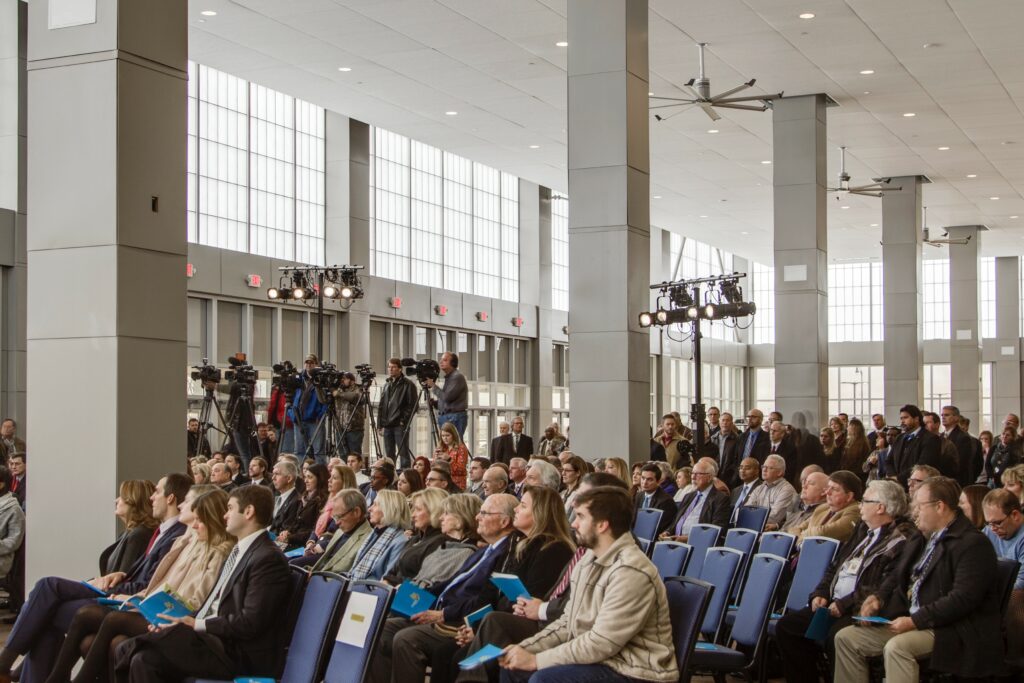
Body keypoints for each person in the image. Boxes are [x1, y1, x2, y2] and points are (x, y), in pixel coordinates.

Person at [0, 475, 191, 682]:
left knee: (48, 593)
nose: (152, 497)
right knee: (46, 599)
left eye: (157, 492)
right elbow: (136, 573)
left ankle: (11, 665)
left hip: (122, 599)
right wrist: (117, 575)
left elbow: (148, 584)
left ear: (170, 498)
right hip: (117, 590)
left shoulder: (168, 535)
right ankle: (18, 670)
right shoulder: (161, 532)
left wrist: (106, 585)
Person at [48, 487, 236, 683]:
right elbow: (162, 584)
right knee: (92, 638)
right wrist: (137, 599)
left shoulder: (215, 552)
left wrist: (144, 600)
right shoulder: (188, 543)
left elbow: (196, 598)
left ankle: (72, 679)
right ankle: (60, 677)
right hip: (158, 608)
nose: (181, 506)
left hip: (175, 617)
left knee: (104, 619)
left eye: (198, 518)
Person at [498, 486, 678, 683]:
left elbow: (601, 643)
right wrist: (526, 648)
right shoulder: (588, 559)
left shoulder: (631, 572)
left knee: (543, 679)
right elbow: (568, 623)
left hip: (636, 671)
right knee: (513, 667)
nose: (573, 524)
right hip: (604, 660)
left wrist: (536, 660)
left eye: (581, 517)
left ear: (602, 525)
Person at [832, 476, 1003, 683]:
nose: (913, 511)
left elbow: (963, 599)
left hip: (952, 629)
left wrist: (916, 620)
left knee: (898, 648)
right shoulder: (922, 537)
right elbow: (897, 575)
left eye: (919, 506)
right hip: (913, 619)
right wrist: (878, 597)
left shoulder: (972, 543)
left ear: (939, 507)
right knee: (847, 638)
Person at [113, 486, 291, 681]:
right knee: (143, 659)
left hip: (237, 653)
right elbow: (212, 604)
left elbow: (250, 623)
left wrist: (196, 624)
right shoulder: (239, 552)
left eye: (230, 508)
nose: (225, 516)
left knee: (126, 648)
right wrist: (178, 622)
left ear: (248, 512)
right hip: (214, 642)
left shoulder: (267, 559)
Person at [775, 480, 922, 683]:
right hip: (833, 603)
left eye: (865, 501)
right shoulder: (862, 529)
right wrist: (820, 593)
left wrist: (844, 604)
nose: (860, 506)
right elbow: (835, 566)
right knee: (787, 627)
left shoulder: (901, 539)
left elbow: (882, 585)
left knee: (836, 637)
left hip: (859, 608)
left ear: (881, 507)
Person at [369, 494, 519, 683]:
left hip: (458, 619)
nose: (477, 517)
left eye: (484, 513)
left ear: (504, 521)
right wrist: (414, 596)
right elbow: (449, 584)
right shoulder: (484, 550)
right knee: (379, 627)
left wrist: (443, 614)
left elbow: (484, 598)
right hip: (438, 608)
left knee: (406, 639)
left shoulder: (504, 553)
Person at [982, 488, 1024, 659]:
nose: (993, 529)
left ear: (1015, 515)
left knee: (1015, 596)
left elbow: (1021, 581)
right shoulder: (988, 532)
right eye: (988, 523)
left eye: (997, 523)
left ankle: (1015, 660)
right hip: (998, 591)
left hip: (1017, 595)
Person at [383, 488, 450, 586]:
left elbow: (420, 580)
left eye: (418, 509)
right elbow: (394, 569)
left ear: (434, 510)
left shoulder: (440, 543)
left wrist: (390, 585)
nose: (413, 515)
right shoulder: (416, 538)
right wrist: (386, 582)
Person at [349, 489, 410, 581]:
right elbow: (354, 570)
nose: (370, 509)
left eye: (375, 504)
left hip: (369, 592)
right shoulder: (375, 534)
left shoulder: (400, 542)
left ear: (389, 509)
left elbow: (387, 579)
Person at [662, 459, 729, 542]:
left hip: (698, 543)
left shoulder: (720, 498)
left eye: (698, 474)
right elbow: (677, 520)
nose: (693, 477)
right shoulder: (689, 496)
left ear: (709, 477)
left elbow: (717, 529)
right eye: (692, 473)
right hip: (676, 541)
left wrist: (689, 538)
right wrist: (668, 532)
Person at [310, 489, 374, 574]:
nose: (336, 522)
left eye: (340, 516)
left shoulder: (368, 539)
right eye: (335, 517)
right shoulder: (339, 531)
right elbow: (325, 564)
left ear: (356, 512)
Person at [791, 470, 863, 545]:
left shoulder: (856, 510)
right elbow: (795, 529)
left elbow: (823, 533)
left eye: (834, 489)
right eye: (828, 488)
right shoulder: (823, 508)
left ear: (849, 496)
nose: (827, 492)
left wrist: (802, 536)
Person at [889, 404, 945, 487]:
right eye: (901, 418)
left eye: (906, 417)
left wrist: (898, 478)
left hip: (918, 485)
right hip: (896, 485)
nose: (902, 421)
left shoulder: (930, 438)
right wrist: (892, 476)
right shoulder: (899, 438)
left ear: (916, 419)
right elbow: (888, 460)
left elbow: (923, 465)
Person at [377, 358, 418, 468]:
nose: (391, 369)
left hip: (399, 425)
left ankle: (406, 477)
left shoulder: (408, 384)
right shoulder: (387, 385)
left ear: (400, 369)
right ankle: (391, 479)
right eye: (389, 367)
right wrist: (380, 425)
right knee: (389, 456)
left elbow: (413, 405)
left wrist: (403, 421)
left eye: (393, 367)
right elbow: (381, 406)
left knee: (403, 453)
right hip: (387, 425)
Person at [289, 354, 330, 464]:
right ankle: (302, 475)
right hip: (299, 420)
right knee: (299, 450)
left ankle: (320, 474)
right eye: (307, 362)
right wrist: (292, 414)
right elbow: (289, 398)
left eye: (311, 362)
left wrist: (320, 415)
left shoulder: (321, 379)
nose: (308, 365)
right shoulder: (298, 379)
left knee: (318, 451)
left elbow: (326, 400)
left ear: (316, 364)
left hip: (315, 421)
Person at [743, 454, 798, 530]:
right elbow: (746, 510)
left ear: (780, 472)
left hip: (772, 533)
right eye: (763, 467)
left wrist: (751, 519)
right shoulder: (759, 488)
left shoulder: (786, 490)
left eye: (770, 468)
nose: (764, 470)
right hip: (754, 528)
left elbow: (774, 517)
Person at [427, 352, 469, 439]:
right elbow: (449, 399)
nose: (441, 362)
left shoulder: (457, 377)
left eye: (445, 360)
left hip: (454, 417)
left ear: (453, 363)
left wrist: (433, 386)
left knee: (454, 446)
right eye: (441, 360)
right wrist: (436, 403)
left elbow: (447, 397)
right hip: (448, 416)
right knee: (446, 447)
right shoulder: (449, 377)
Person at [633, 463, 676, 536]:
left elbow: (660, 528)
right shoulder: (639, 496)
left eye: (649, 479)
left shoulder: (666, 501)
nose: (644, 482)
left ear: (658, 482)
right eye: (643, 478)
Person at [269, 460, 300, 540]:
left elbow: (284, 531)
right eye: (273, 474)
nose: (273, 478)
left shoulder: (296, 501)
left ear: (289, 478)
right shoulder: (277, 497)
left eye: (277, 474)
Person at [434, 422, 470, 490]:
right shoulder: (440, 448)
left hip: (456, 484)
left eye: (447, 435)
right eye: (443, 436)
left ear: (453, 435)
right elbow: (434, 468)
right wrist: (436, 460)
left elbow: (461, 470)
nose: (445, 438)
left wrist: (449, 460)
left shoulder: (461, 448)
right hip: (442, 483)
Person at [767, 420, 800, 487]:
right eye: (771, 430)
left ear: (782, 434)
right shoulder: (762, 446)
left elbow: (789, 471)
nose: (772, 433)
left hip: (780, 484)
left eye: (775, 431)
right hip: (763, 483)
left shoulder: (790, 449)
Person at [713, 412, 742, 487]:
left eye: (727, 420)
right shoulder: (713, 438)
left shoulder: (737, 439)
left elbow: (738, 461)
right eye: (723, 420)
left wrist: (734, 478)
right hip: (714, 475)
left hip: (729, 477)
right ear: (719, 423)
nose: (725, 423)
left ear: (732, 423)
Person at [729, 457, 762, 524]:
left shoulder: (762, 488)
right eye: (741, 468)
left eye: (747, 468)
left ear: (757, 470)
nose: (742, 471)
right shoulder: (735, 490)